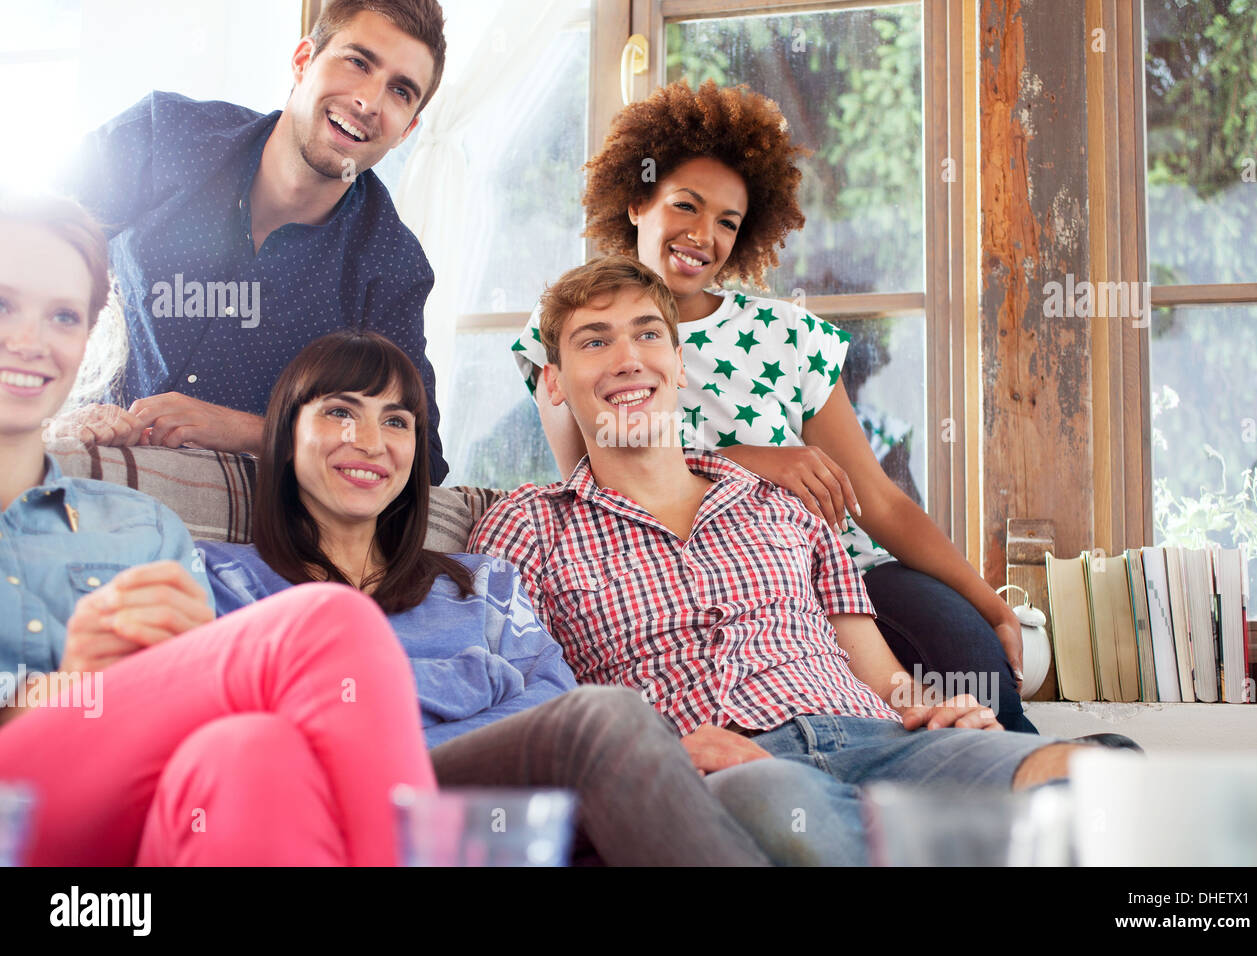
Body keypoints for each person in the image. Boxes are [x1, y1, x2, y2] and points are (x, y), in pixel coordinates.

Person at [476, 256, 1088, 865]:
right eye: (594, 341)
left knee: (1088, 774)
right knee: (776, 802)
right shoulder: (529, 525)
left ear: (679, 361)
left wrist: (935, 708)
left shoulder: (782, 506)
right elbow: (516, 705)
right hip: (730, 767)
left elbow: (881, 676)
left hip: (881, 742)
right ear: (553, 381)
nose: (627, 358)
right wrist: (655, 753)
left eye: (646, 334)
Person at [510, 80, 1033, 731]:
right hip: (703, 586)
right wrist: (751, 460)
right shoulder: (570, 328)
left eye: (728, 222)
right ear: (638, 200)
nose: (704, 234)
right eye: (686, 205)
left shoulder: (789, 335)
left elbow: (880, 499)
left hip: (847, 576)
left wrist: (988, 604)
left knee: (977, 682)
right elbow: (595, 484)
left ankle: (1031, 801)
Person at [199, 329, 773, 866]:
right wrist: (480, 681)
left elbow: (550, 708)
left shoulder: (483, 583)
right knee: (609, 717)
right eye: (340, 412)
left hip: (503, 824)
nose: (371, 443)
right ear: (285, 430)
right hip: (346, 816)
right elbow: (230, 731)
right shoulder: (218, 579)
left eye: (397, 422)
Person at [0, 193, 436, 866]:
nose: (28, 340)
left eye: (61, 315)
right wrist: (63, 690)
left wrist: (154, 681)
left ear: (87, 338)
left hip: (114, 849)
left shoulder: (144, 527)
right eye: (4, 303)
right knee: (326, 624)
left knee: (252, 753)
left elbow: (190, 726)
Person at [59, 0, 451, 481]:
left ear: (406, 130)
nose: (369, 101)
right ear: (304, 60)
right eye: (358, 62)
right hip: (76, 469)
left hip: (240, 533)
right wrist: (58, 406)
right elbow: (25, 255)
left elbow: (419, 456)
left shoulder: (391, 265)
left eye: (400, 91)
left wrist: (251, 431)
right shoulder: (164, 135)